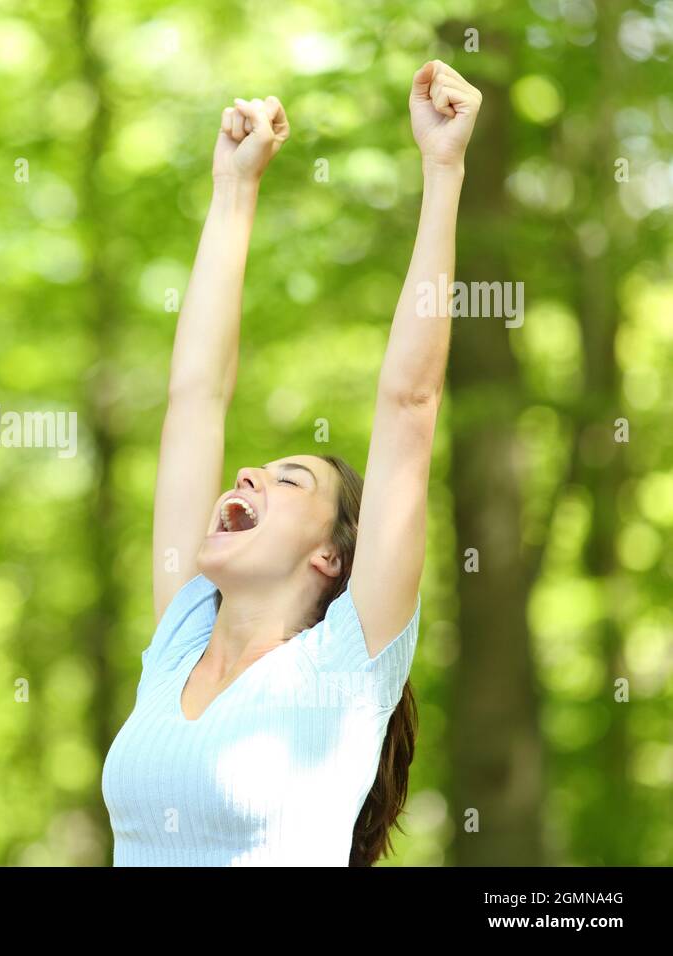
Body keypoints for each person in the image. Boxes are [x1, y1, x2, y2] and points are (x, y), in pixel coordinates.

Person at [101, 61, 482, 866]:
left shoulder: (347, 663)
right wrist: (233, 192)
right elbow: (195, 398)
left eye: (290, 480)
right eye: (258, 470)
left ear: (331, 554)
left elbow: (409, 408)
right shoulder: (180, 637)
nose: (248, 475)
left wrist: (442, 171)